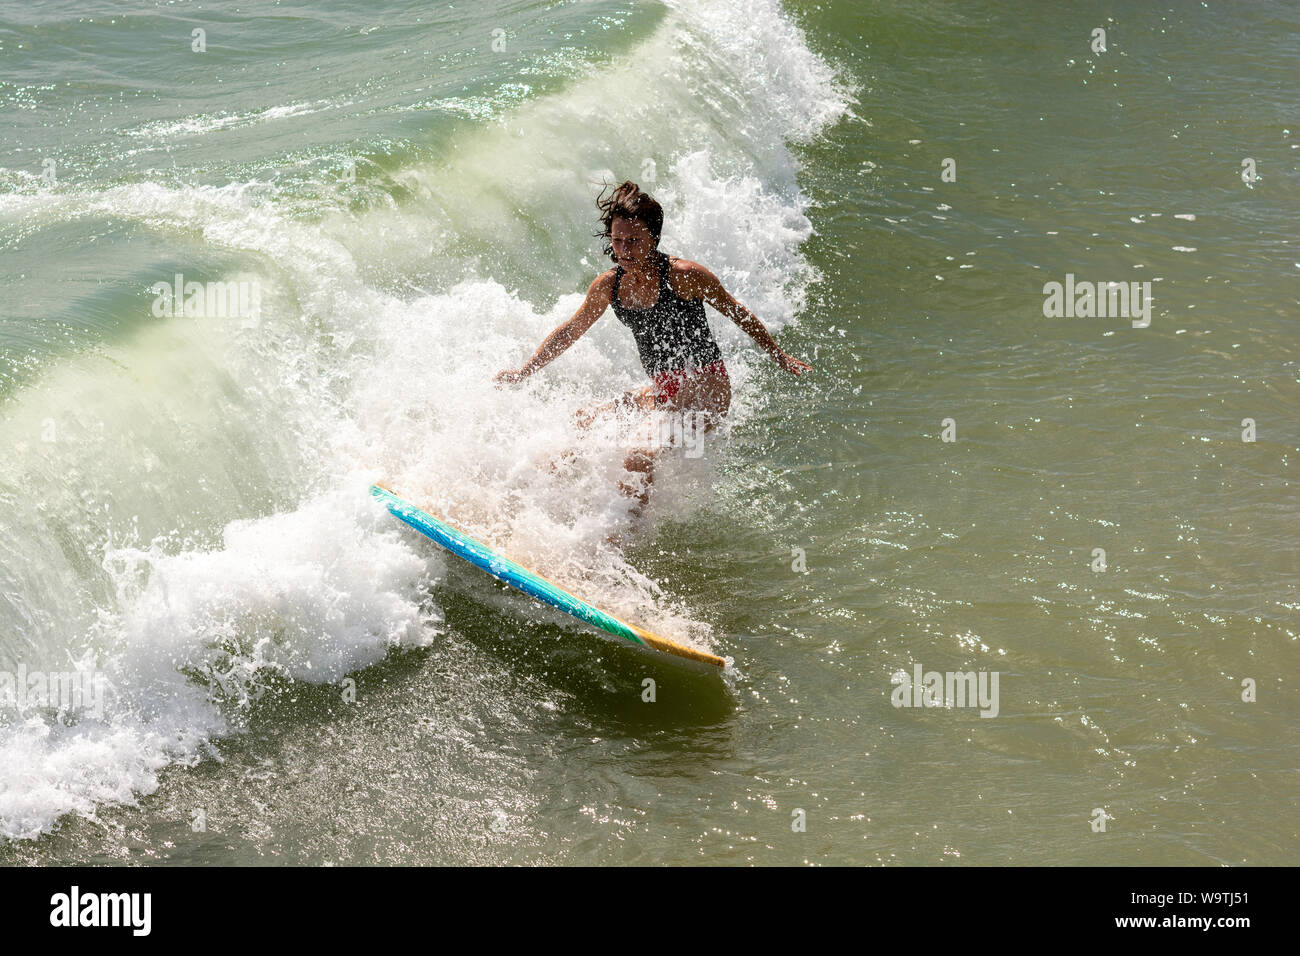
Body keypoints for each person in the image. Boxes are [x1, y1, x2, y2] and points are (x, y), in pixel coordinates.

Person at [494, 180, 811, 510]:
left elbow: (736, 311)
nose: (624, 250)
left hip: (707, 389)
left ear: (654, 238)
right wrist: (524, 371)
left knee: (639, 452)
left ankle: (621, 540)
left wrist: (777, 354)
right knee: (583, 421)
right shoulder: (609, 286)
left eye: (634, 240)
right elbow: (571, 330)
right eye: (617, 241)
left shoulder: (684, 276)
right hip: (662, 390)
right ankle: (540, 508)